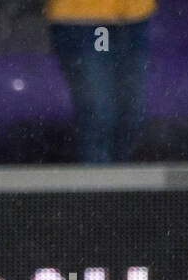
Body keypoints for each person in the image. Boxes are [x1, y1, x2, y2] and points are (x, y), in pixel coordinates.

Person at [45, 0, 155, 164]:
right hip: (83, 18)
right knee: (99, 114)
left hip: (134, 17)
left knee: (129, 113)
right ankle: (98, 185)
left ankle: (119, 182)